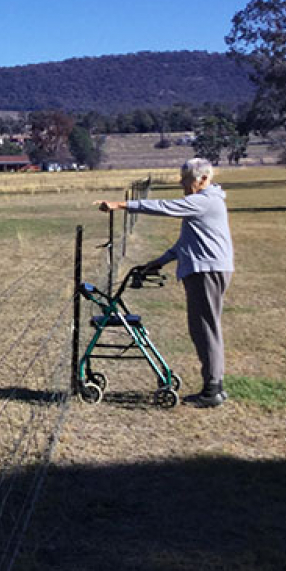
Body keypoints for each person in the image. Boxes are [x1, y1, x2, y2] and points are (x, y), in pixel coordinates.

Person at [94, 158, 234, 407]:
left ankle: (212, 389)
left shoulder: (204, 201)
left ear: (203, 179)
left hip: (206, 272)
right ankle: (214, 385)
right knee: (203, 328)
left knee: (205, 329)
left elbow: (164, 206)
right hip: (205, 270)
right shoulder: (204, 202)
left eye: (186, 179)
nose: (182, 183)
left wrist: (121, 204)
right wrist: (157, 262)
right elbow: (185, 244)